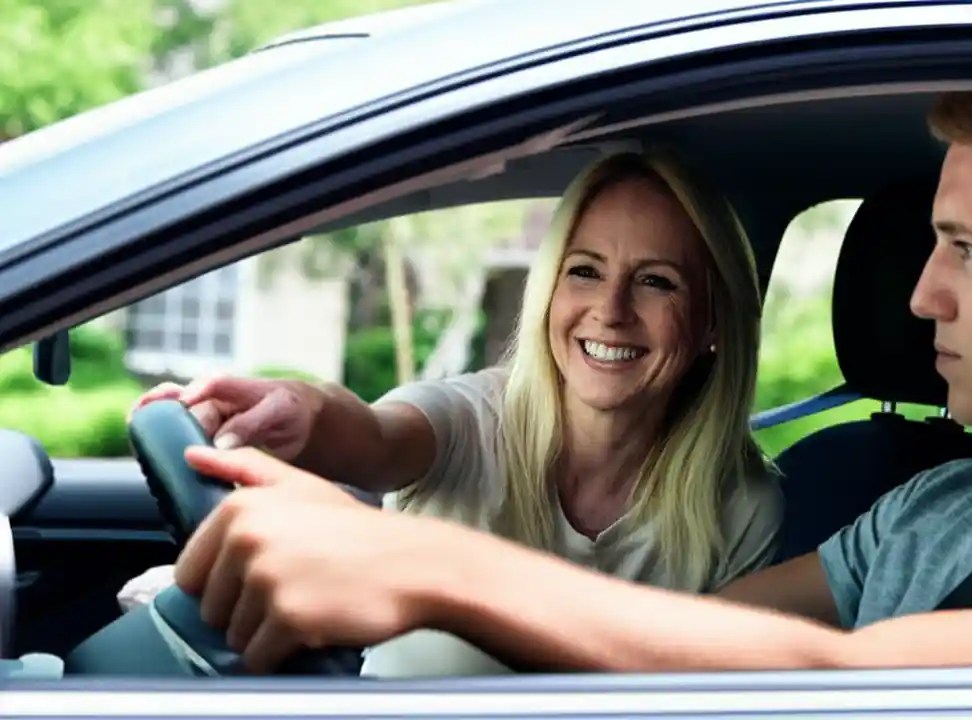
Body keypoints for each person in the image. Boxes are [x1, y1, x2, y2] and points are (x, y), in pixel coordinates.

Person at [167, 90, 972, 674]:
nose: (918, 296)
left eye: (963, 250)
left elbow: (832, 677)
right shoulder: (929, 506)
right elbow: (671, 636)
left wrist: (426, 564)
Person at [123, 150, 784, 675]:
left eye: (656, 281)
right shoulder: (477, 419)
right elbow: (378, 438)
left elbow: (712, 687)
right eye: (584, 271)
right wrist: (302, 405)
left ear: (711, 326)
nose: (610, 310)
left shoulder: (744, 506)